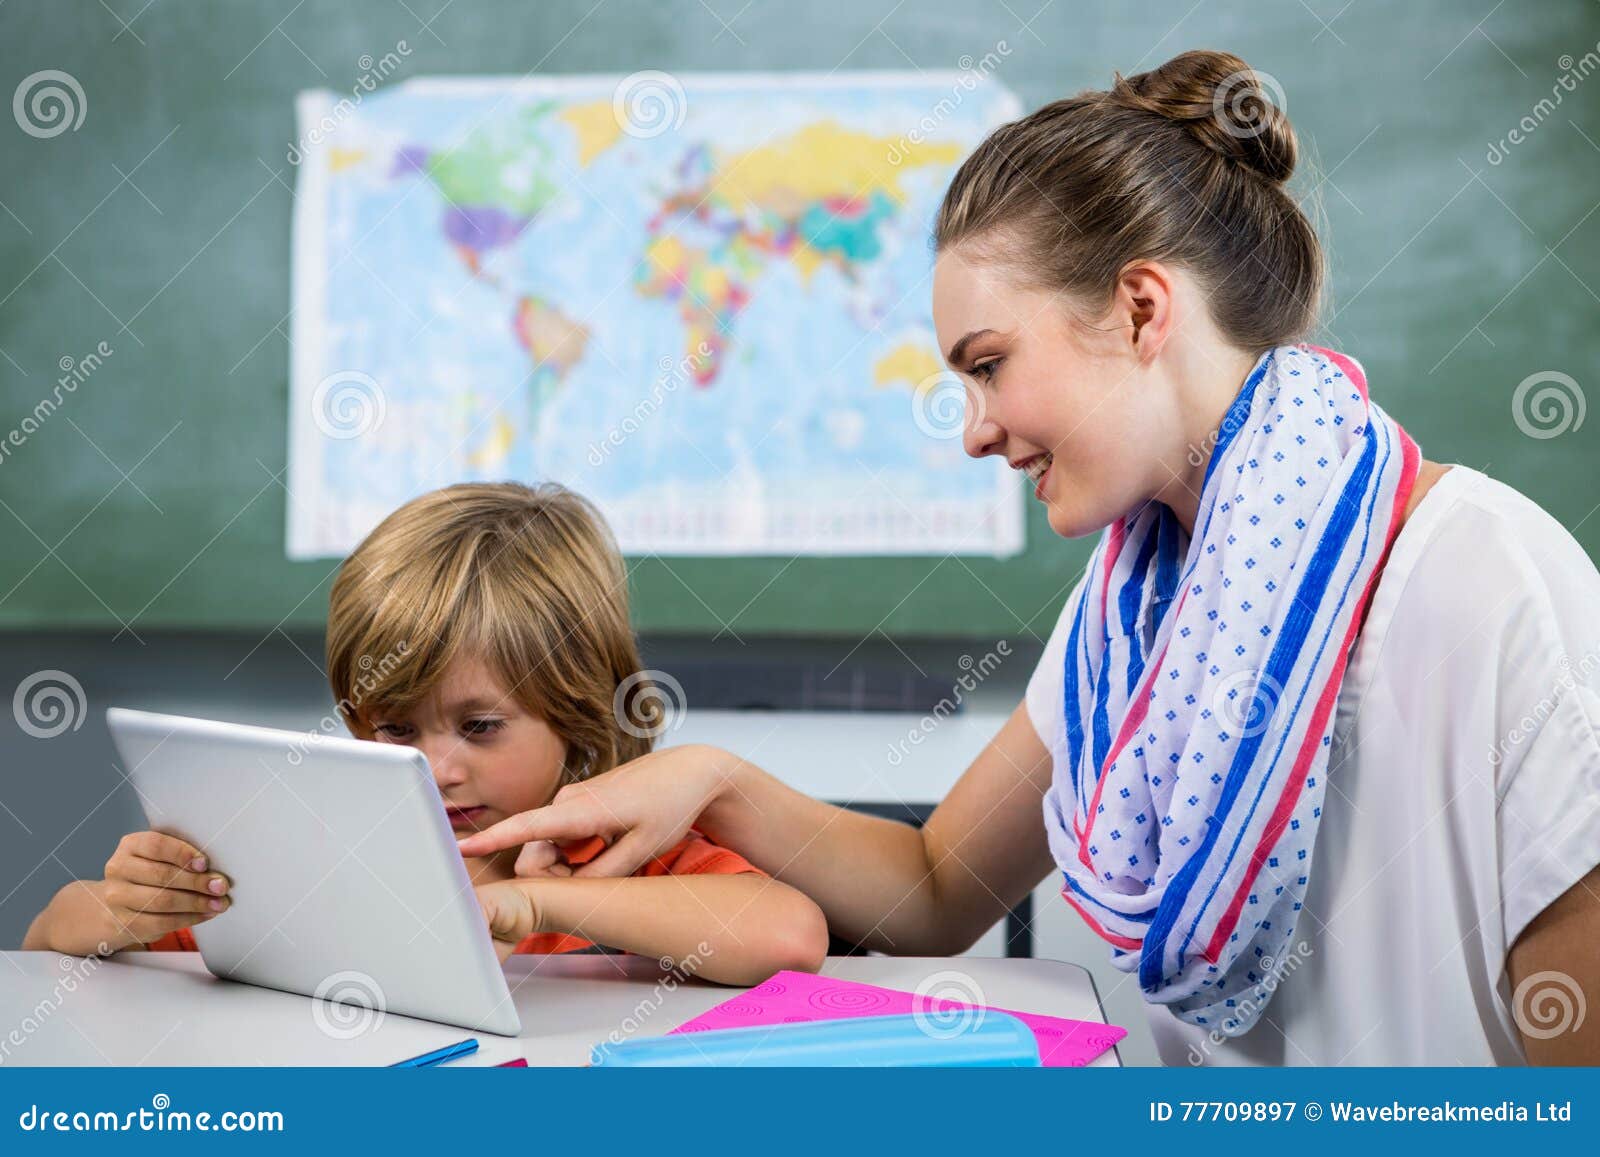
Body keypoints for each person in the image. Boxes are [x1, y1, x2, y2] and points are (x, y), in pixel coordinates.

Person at [458, 50, 1600, 1064]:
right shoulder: (1139, 614)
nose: (973, 428)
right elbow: (936, 889)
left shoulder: (1485, 582)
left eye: (989, 363)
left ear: (1142, 308)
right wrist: (712, 776)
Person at [25, 482, 828, 987]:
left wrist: (536, 900)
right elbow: (48, 934)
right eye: (395, 725)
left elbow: (788, 933)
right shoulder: (308, 851)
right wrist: (126, 907)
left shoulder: (615, 852)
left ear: (577, 716)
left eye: (480, 727)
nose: (435, 766)